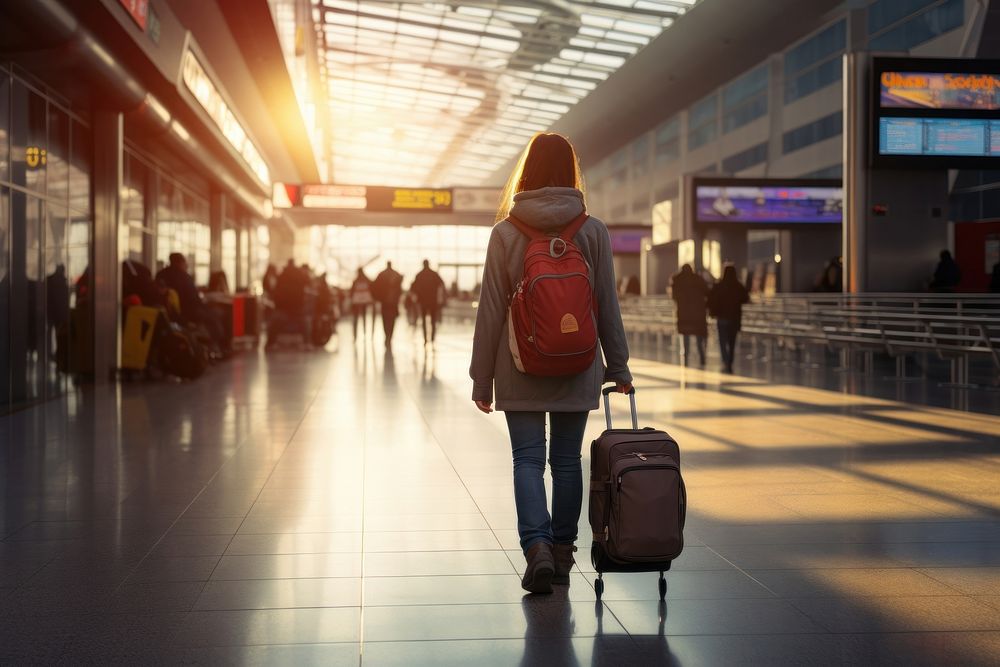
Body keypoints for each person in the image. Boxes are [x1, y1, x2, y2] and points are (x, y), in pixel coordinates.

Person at [469, 132, 633, 595]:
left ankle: (536, 547)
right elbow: (606, 304)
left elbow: (491, 310)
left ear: (527, 172)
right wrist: (617, 367)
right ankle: (562, 552)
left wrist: (483, 377)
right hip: (578, 364)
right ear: (570, 173)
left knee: (527, 458)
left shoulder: (505, 233)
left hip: (519, 364)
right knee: (566, 461)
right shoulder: (592, 229)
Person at [708, 264, 750, 374]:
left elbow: (711, 300)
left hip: (721, 318)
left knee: (722, 340)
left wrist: (713, 312)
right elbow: (745, 298)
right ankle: (730, 360)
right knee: (732, 341)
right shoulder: (738, 286)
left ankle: (725, 359)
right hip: (734, 318)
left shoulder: (719, 286)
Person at [670, 264, 708, 366]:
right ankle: (702, 357)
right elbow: (707, 292)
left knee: (685, 337)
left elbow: (674, 296)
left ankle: (685, 358)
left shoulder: (677, 280)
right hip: (698, 314)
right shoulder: (698, 279)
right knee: (699, 337)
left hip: (683, 314)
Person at [411, 259, 446, 345]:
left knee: (423, 320)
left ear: (423, 264)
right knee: (433, 320)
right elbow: (441, 284)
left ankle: (425, 338)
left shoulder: (419, 275)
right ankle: (432, 338)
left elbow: (413, 287)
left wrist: (416, 298)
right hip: (433, 301)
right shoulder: (434, 274)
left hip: (423, 301)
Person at [373, 261, 403, 347]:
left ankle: (387, 335)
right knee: (392, 319)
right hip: (393, 302)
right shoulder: (396, 275)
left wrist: (378, 297)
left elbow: (375, 286)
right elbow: (399, 289)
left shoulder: (381, 274)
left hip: (384, 302)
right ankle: (390, 336)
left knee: (385, 319)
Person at [350, 267, 374, 340]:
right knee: (363, 318)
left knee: (356, 319)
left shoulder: (355, 281)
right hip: (364, 301)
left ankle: (355, 336)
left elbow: (352, 291)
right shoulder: (366, 280)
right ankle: (364, 334)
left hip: (356, 301)